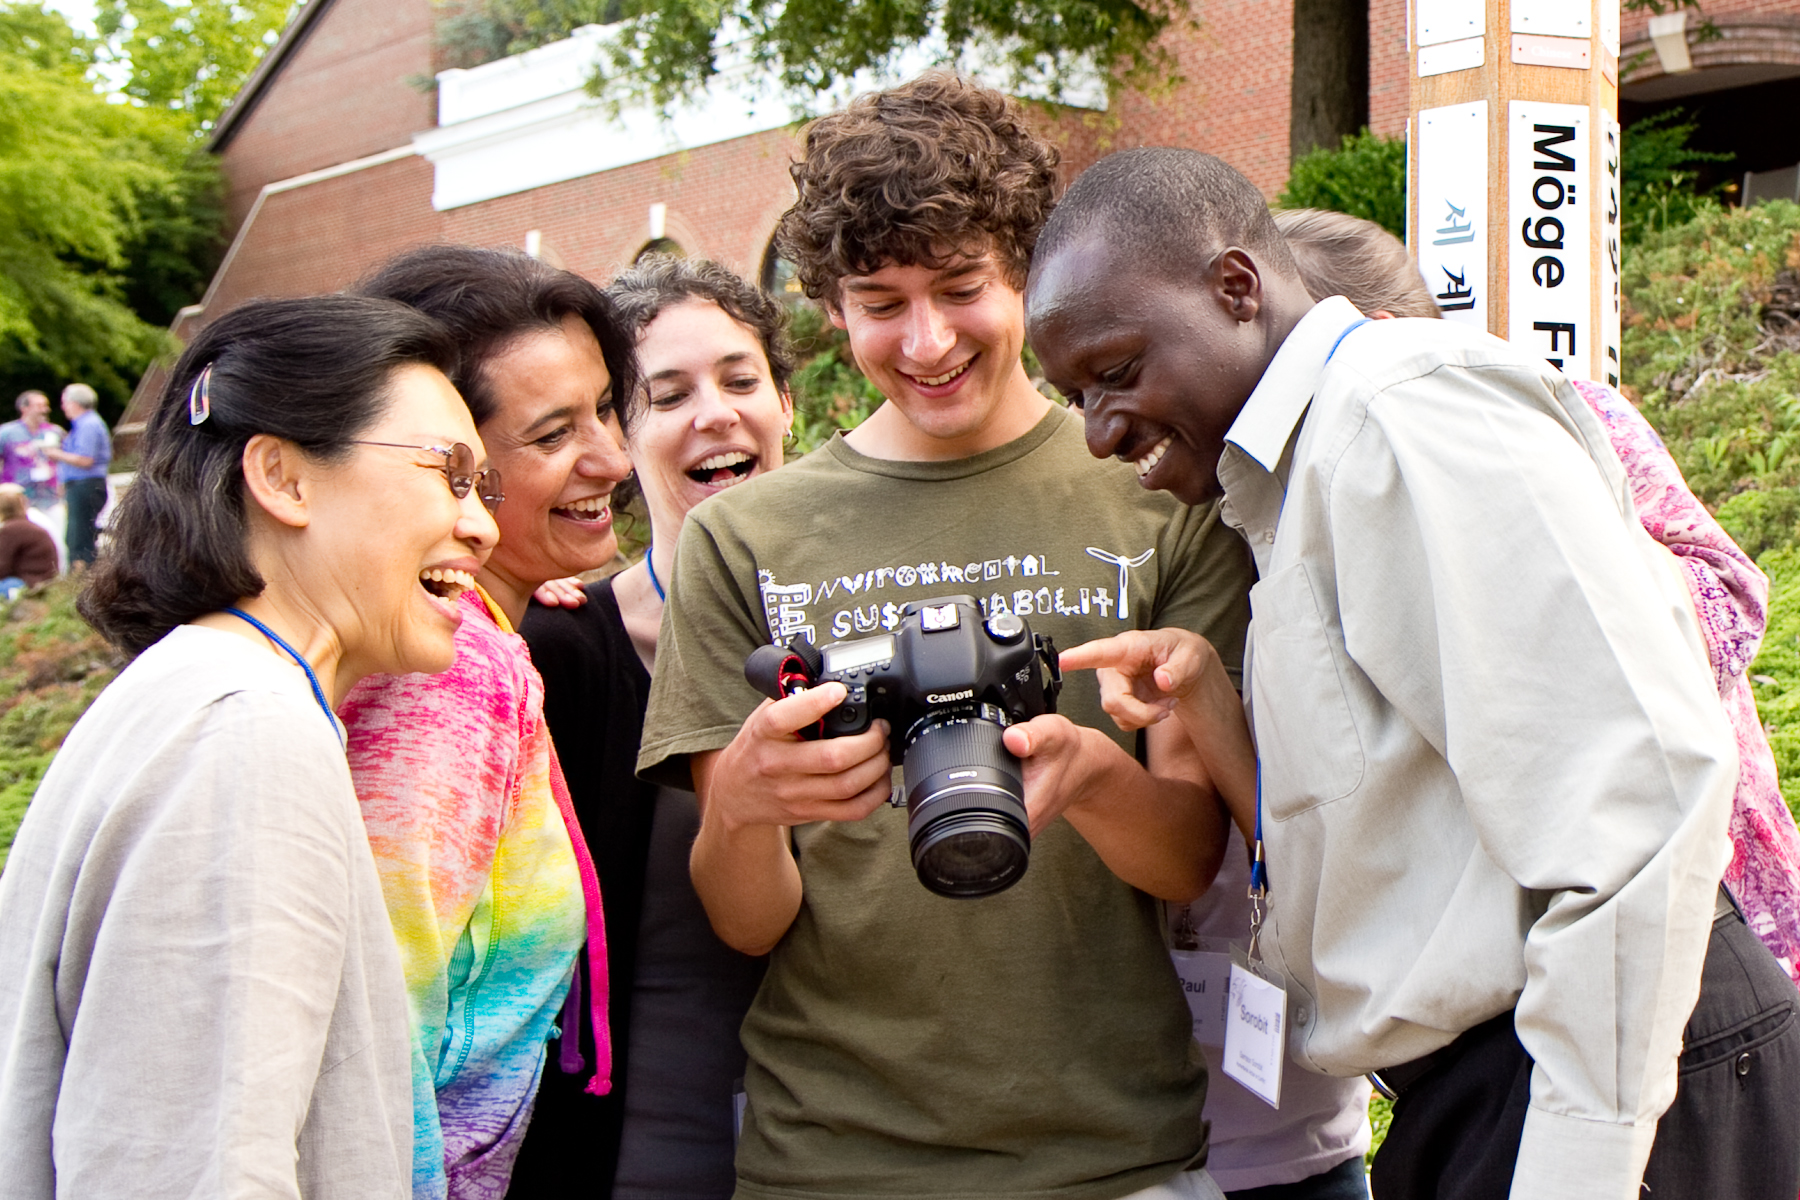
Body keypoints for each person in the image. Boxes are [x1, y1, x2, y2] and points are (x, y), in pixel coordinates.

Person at [1026, 147, 1800, 1200]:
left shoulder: (1407, 418)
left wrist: (1578, 1168)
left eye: (1116, 373)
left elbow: (1633, 816)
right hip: (1492, 1091)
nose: (1102, 431)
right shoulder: (1302, 475)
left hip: (1601, 1095)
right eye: (1076, 397)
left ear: (1237, 287)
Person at [638, 73, 1255, 1200]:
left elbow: (1186, 860)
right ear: (830, 310)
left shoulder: (1154, 490)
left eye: (962, 287)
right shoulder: (743, 538)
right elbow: (746, 918)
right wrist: (743, 803)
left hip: (1113, 1154)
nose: (926, 341)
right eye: (879, 302)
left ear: (1026, 269)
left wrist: (1093, 777)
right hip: (829, 1159)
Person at [0, 294, 498, 1198]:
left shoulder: (206, 695)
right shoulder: (247, 735)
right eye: (449, 473)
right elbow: (191, 1171)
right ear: (283, 477)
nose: (483, 525)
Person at [1273, 206, 1800, 989]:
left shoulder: (1565, 413)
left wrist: (1527, 576)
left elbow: (1729, 605)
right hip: (1510, 973)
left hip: (1709, 927)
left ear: (1375, 336)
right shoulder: (1313, 499)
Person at [343, 244, 639, 1200]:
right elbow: (384, 1031)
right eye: (554, 435)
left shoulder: (482, 629)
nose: (614, 458)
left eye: (604, 408)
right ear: (445, 461)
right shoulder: (446, 672)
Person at [511, 255, 792, 1198]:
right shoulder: (563, 651)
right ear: (622, 439)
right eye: (666, 396)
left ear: (785, 402)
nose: (714, 413)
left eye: (740, 379)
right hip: (648, 1160)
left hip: (866, 1150)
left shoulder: (887, 613)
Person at [46, 382, 110, 566]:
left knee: (79, 536)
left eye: (65, 402)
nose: (63, 406)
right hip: (82, 484)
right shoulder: (84, 424)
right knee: (78, 533)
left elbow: (85, 459)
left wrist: (55, 454)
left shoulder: (88, 425)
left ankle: (82, 575)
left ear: (75, 403)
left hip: (86, 484)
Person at [1, 390, 67, 568]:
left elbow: (68, 460)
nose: (44, 410)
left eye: (45, 405)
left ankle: (59, 577)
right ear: (24, 408)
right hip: (19, 499)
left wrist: (64, 482)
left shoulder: (55, 432)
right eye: (39, 405)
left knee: (57, 538)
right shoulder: (7, 433)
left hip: (50, 495)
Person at [0, 483, 57, 597]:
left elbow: (2, 566)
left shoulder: (10, 530)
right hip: (45, 581)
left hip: (28, 584)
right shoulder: (28, 526)